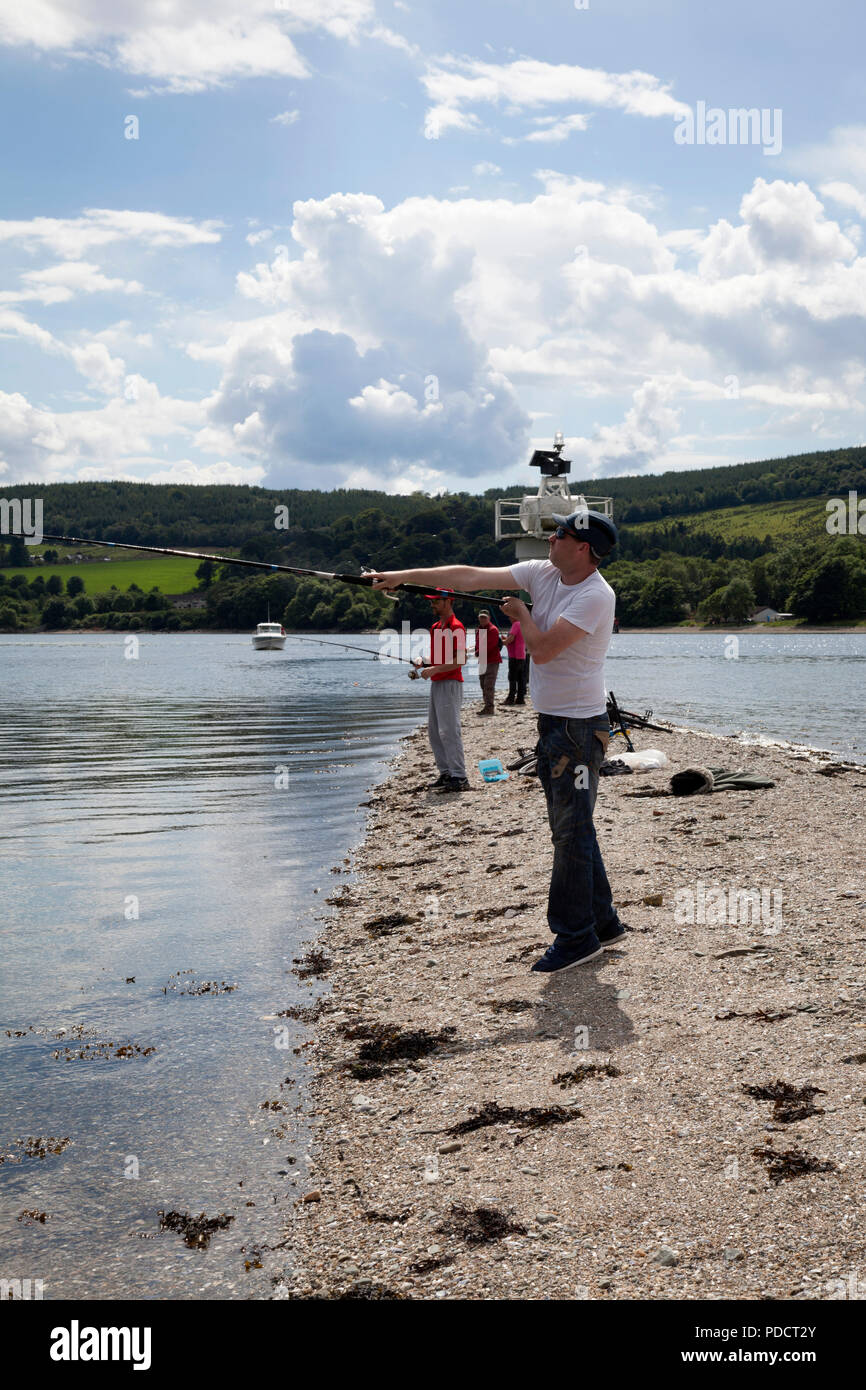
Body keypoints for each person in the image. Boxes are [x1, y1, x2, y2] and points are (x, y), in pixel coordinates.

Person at [371, 509, 627, 972]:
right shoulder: (542, 572)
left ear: (584, 548)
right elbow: (467, 576)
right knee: (576, 829)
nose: (550, 538)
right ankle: (603, 923)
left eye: (560, 533)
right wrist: (399, 576)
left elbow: (544, 651)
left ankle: (576, 938)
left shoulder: (595, 595)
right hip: (553, 723)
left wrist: (522, 614)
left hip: (579, 729)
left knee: (569, 834)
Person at [411, 590, 469, 793]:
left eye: (436, 601)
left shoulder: (457, 627)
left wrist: (434, 669)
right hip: (437, 683)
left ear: (448, 601)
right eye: (431, 602)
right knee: (435, 731)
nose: (432, 605)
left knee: (449, 730)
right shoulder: (436, 627)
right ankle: (446, 773)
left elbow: (461, 659)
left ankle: (460, 777)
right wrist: (423, 661)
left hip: (451, 683)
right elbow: (437, 657)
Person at [474, 610, 502, 715]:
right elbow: (478, 644)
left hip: (492, 660)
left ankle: (489, 707)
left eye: (484, 617)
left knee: (488, 685)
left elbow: (490, 646)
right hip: (482, 660)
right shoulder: (479, 629)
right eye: (481, 617)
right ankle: (487, 705)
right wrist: (475, 650)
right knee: (482, 684)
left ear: (489, 618)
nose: (482, 619)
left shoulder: (493, 629)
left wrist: (477, 652)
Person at [502, 616, 528, 705]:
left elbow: (511, 639)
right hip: (521, 655)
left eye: (510, 616)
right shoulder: (522, 624)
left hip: (515, 656)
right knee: (520, 678)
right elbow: (515, 640)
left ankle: (511, 698)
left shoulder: (516, 624)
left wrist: (503, 642)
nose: (509, 618)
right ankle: (520, 699)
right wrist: (506, 640)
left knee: (512, 677)